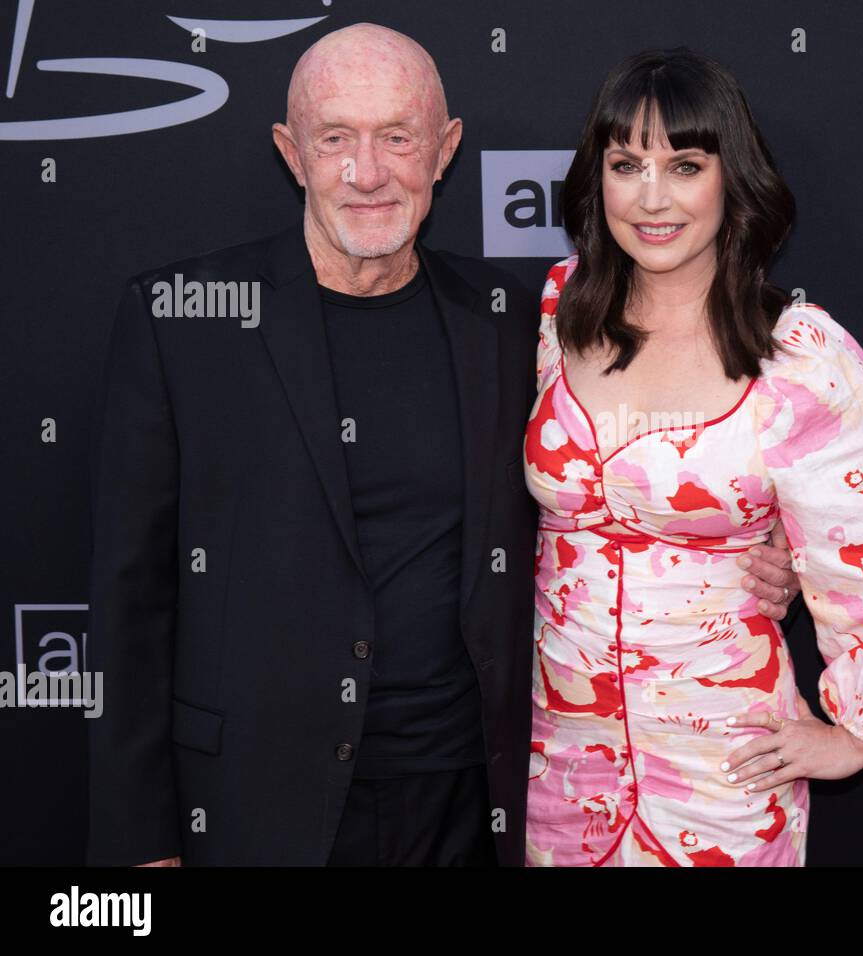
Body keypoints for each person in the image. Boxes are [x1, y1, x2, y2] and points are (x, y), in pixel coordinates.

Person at [85, 23, 800, 868]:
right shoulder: (184, 321)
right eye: (336, 139)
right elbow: (131, 599)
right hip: (255, 801)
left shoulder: (518, 321)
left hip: (472, 799)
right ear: (291, 151)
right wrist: (138, 845)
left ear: (445, 149)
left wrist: (771, 547)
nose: (367, 172)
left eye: (397, 137)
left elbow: (625, 479)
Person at [522, 49, 863, 866]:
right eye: (626, 164)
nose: (652, 196)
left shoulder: (797, 357)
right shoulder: (562, 315)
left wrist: (856, 734)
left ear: (730, 179)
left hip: (722, 780)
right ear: (598, 181)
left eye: (685, 165)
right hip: (563, 771)